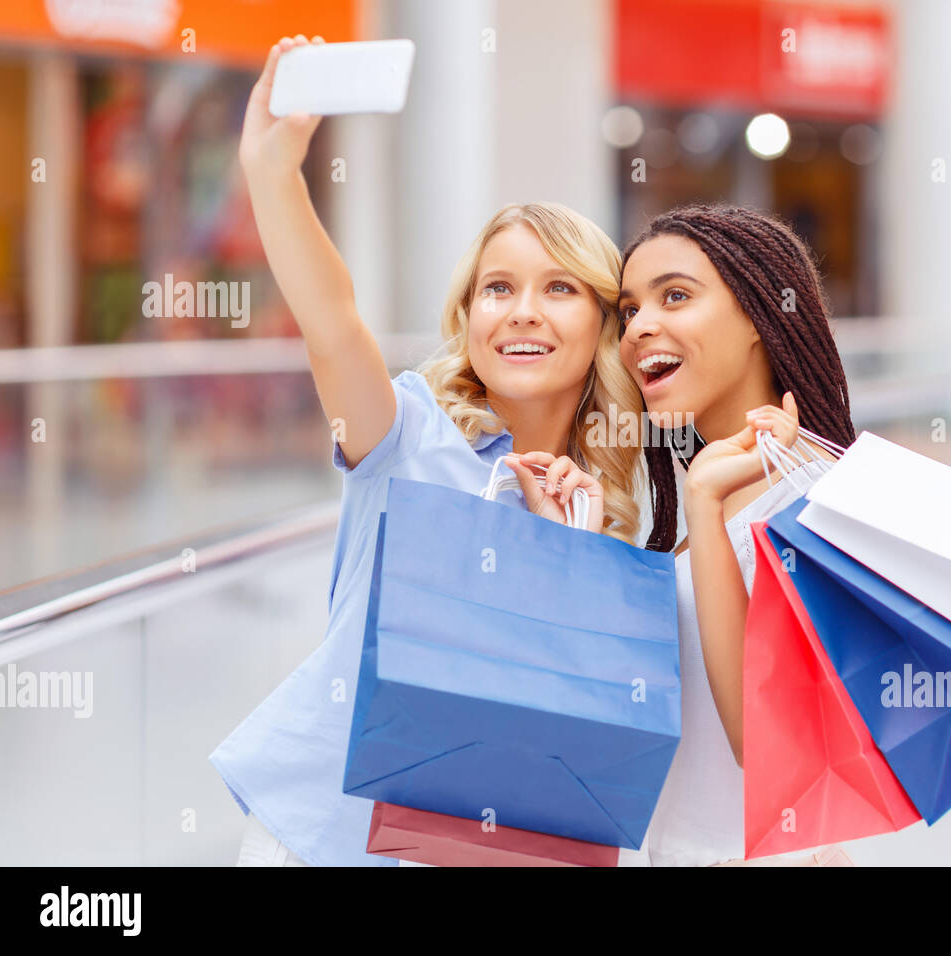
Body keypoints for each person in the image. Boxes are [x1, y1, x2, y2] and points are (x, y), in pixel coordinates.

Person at [211, 35, 645, 866]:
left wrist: (565, 554)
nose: (521, 310)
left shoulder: (614, 506)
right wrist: (274, 173)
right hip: (321, 840)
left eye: (558, 288)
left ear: (603, 325)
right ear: (469, 317)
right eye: (497, 288)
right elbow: (332, 323)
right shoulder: (407, 433)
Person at [618, 203, 858, 866]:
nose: (640, 327)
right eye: (628, 310)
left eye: (674, 296)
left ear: (758, 312)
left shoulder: (816, 498)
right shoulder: (713, 487)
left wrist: (703, 500)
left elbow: (772, 754)